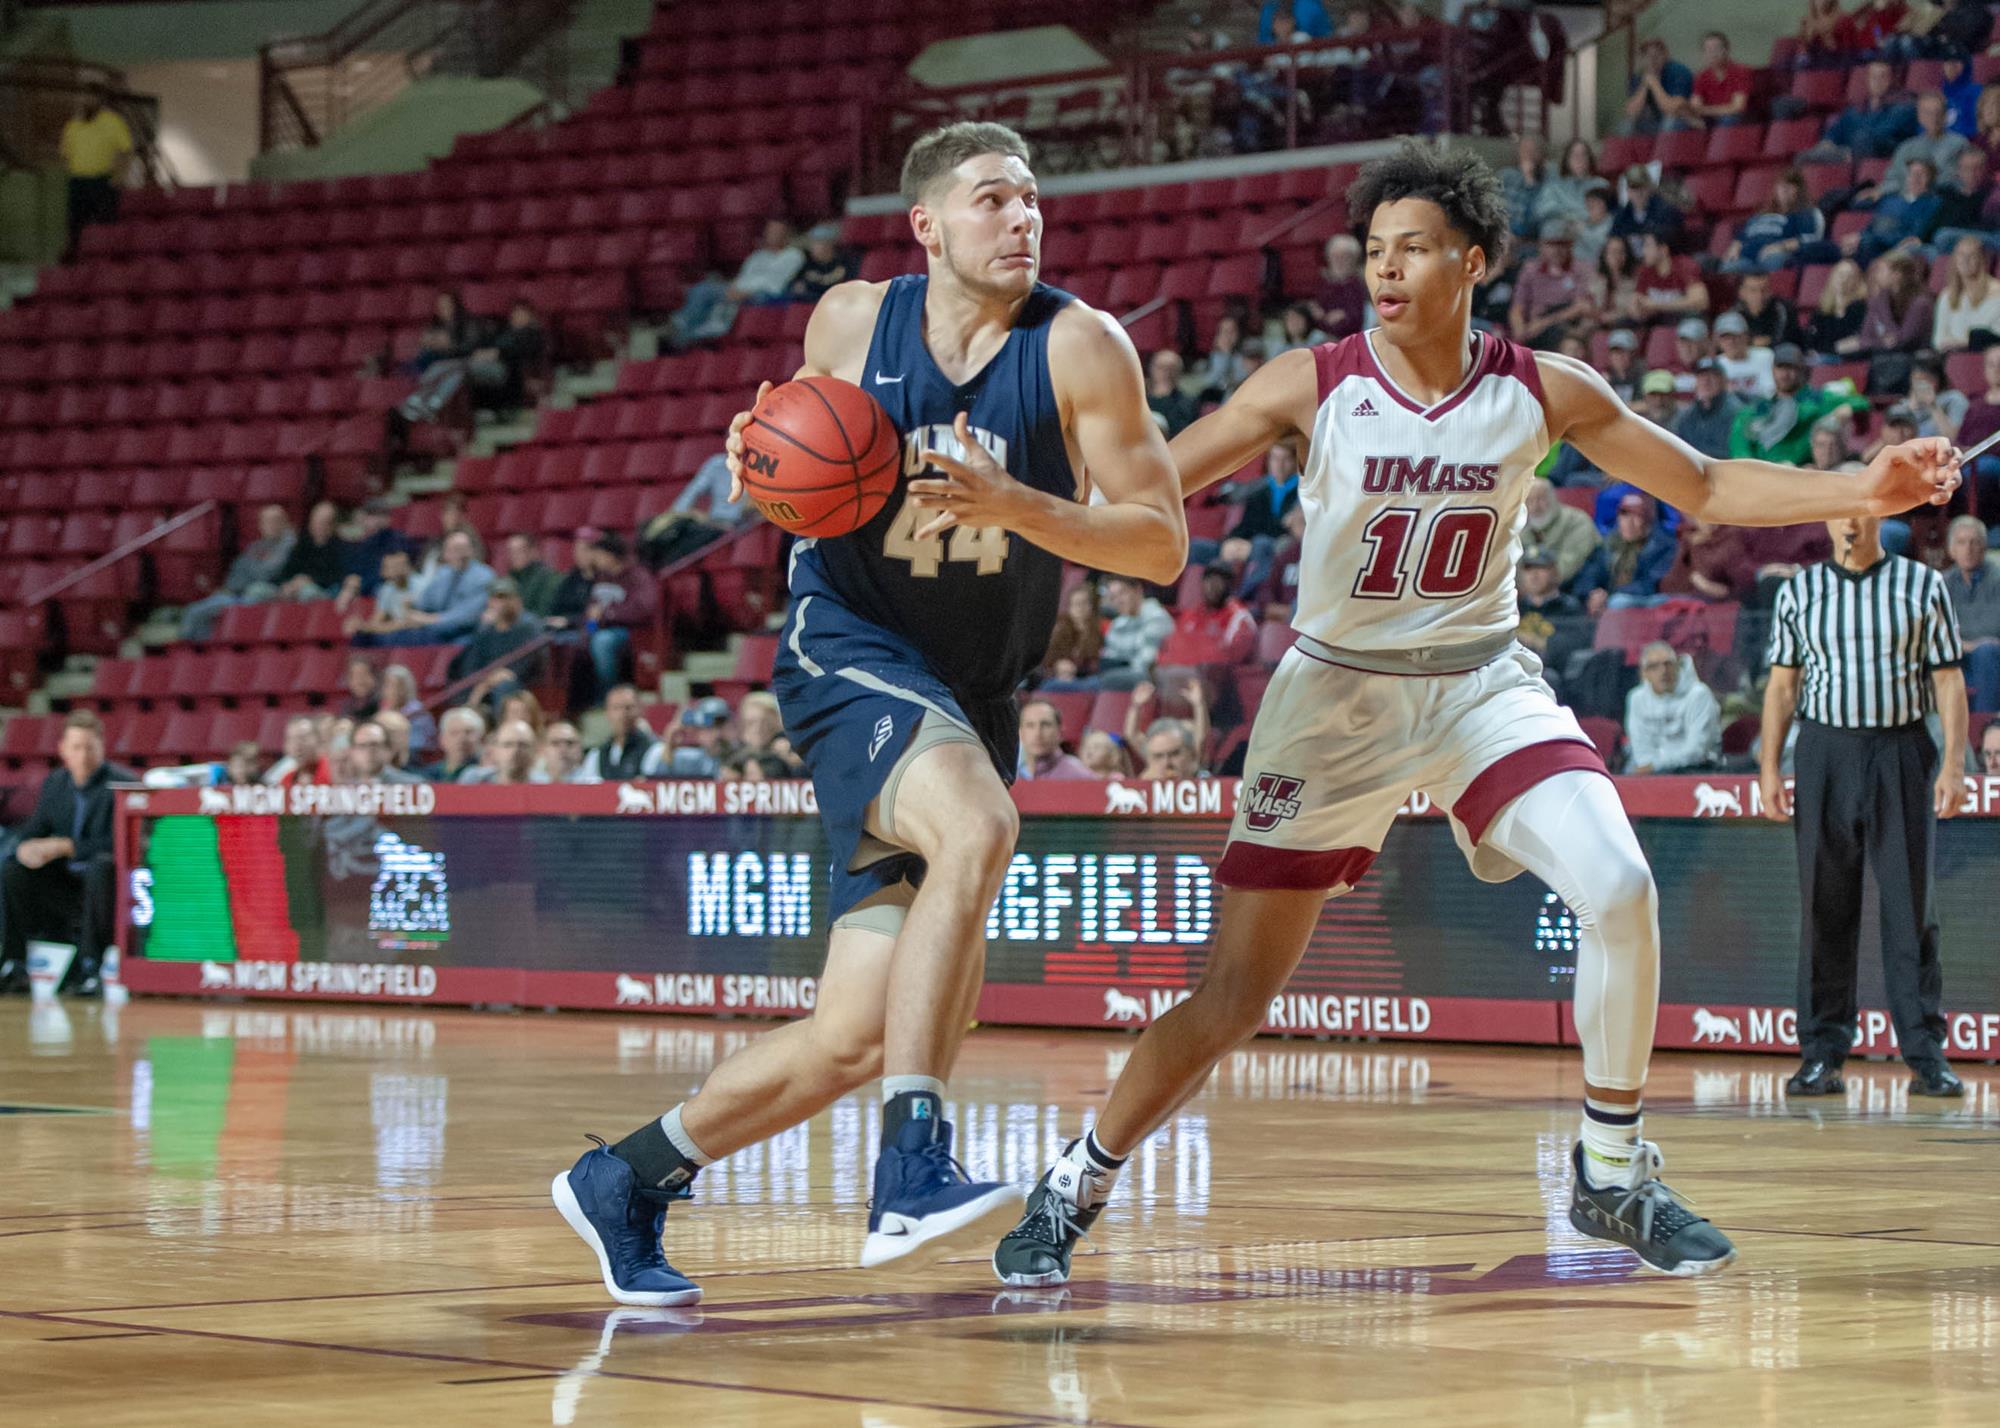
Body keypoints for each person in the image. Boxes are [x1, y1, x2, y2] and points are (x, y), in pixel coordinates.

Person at [995, 140, 1961, 1289]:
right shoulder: (1308, 381)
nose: (1384, 268)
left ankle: (1608, 1170)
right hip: (1333, 697)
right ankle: (1080, 1179)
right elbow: (1137, 494)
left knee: (1617, 885)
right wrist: (1014, 488)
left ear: (1474, 260)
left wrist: (1865, 486)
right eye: (1370, 251)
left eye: (1410, 247)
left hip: (1478, 683)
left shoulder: (1539, 387)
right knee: (1230, 1001)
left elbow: (1701, 484)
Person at [554, 120, 1188, 1305]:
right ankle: (910, 1166)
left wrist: (1020, 505)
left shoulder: (1080, 347)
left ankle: (625, 1178)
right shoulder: (850, 321)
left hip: (974, 689)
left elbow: (1158, 541)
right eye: (993, 199)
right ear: (927, 225)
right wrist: (760, 475)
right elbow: (800, 476)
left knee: (851, 1030)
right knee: (981, 829)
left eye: (1031, 199)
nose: (1022, 219)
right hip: (847, 647)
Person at [1761, 514, 1967, 1100]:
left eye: (1861, 508)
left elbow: (1949, 679)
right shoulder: (1799, 590)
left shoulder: (1922, 584)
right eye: (1839, 508)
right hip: (1825, 749)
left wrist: (1954, 764)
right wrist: (1770, 767)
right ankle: (1822, 1053)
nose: (1850, 520)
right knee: (1825, 907)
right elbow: (1782, 685)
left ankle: (1926, 1053)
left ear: (1879, 517)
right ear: (1826, 520)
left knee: (1910, 909)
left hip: (1901, 749)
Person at [0, 711, 133, 997]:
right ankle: (15, 964)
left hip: (106, 887)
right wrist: (24, 846)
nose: (83, 755)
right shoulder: (55, 783)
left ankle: (89, 969)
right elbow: (36, 827)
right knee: (12, 868)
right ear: (62, 750)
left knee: (102, 866)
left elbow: (122, 843)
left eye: (89, 746)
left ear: (102, 746)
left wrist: (66, 846)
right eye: (76, 747)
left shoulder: (123, 784)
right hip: (65, 884)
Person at [668, 218, 805, 349]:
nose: (772, 235)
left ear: (786, 234)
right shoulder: (757, 256)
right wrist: (733, 288)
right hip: (739, 290)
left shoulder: (793, 256)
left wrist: (743, 293)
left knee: (704, 291)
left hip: (764, 295)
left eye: (777, 231)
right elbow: (742, 278)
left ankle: (680, 325)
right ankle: (685, 335)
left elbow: (776, 283)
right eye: (770, 231)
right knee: (702, 287)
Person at [1729, 344, 1869, 463]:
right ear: (1773, 370)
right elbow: (1740, 446)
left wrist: (1846, 408)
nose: (1784, 374)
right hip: (1764, 474)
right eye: (1780, 368)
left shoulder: (1817, 399)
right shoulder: (1760, 408)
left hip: (1801, 470)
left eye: (1790, 368)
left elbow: (1861, 402)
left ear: (1802, 370)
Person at [357, 530, 495, 648]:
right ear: (445, 553)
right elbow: (427, 600)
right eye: (453, 550)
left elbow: (466, 617)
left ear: (471, 551)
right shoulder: (444, 573)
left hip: (466, 632)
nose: (459, 555)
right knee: (397, 637)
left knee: (420, 637)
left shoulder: (483, 576)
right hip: (436, 629)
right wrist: (412, 603)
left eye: (462, 549)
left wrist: (428, 619)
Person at [180, 504, 295, 640]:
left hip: (266, 592)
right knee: (194, 611)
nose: (270, 525)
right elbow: (238, 570)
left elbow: (267, 573)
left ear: (284, 522)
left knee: (254, 592)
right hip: (237, 593)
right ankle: (194, 651)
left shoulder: (289, 544)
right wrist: (229, 588)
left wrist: (251, 566)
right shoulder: (256, 546)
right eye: (265, 521)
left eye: (275, 521)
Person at [448, 579, 548, 715]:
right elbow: (471, 665)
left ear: (517, 601)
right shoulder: (486, 630)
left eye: (506, 598)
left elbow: (525, 664)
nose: (501, 603)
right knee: (461, 688)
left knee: (504, 686)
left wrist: (489, 682)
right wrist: (483, 682)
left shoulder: (529, 626)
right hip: (486, 682)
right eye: (496, 598)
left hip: (521, 682)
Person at [1624, 642, 1722, 773]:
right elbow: (1640, 749)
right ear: (1644, 673)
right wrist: (1651, 766)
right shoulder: (1636, 698)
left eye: (1668, 664)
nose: (1663, 671)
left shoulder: (1699, 695)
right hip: (1651, 770)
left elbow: (1696, 751)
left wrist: (1655, 765)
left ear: (1677, 666)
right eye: (1654, 667)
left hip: (1696, 769)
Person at [1572, 493, 1679, 612]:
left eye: (1637, 517)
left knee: (1619, 602)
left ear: (1649, 520)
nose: (1628, 523)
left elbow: (1650, 584)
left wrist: (1608, 596)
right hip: (1608, 601)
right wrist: (1591, 593)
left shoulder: (1664, 547)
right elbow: (1589, 574)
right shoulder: (1609, 544)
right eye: (1624, 516)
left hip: (1647, 605)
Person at [58, 88, 132, 255]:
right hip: (78, 181)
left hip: (102, 182)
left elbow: (126, 150)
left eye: (91, 97)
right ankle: (75, 259)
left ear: (100, 99)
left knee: (105, 225)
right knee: (75, 224)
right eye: (84, 96)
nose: (86, 100)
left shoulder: (113, 121)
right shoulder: (73, 124)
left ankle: (108, 261)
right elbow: (65, 153)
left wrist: (120, 176)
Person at [1943, 514, 2000, 709]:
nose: (1968, 549)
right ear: (1951, 550)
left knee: (1986, 653)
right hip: (1956, 655)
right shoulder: (1941, 584)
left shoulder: (1997, 579)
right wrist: (1967, 646)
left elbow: (1993, 629)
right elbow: (1937, 633)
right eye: (1961, 543)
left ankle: (1984, 728)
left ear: (1984, 548)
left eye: (1974, 543)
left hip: (1992, 655)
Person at [1509, 220, 1590, 350]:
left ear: (1570, 247)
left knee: (1559, 333)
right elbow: (1517, 306)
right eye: (1551, 245)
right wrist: (1520, 329)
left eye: (1562, 245)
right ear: (1542, 246)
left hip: (1563, 325)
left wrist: (1544, 323)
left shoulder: (1579, 269)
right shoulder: (1530, 269)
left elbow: (1580, 306)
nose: (1557, 250)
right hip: (1534, 325)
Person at [1722, 171, 1824, 275]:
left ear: (1799, 190)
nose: (1784, 189)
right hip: (1747, 257)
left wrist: (1779, 247)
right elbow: (1742, 236)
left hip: (1775, 256)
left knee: (1774, 258)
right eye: (1781, 186)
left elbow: (1808, 239)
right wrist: (1734, 247)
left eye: (1790, 186)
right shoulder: (1760, 215)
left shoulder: (1804, 213)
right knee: (1728, 266)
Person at [1819, 59, 1917, 161]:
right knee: (1809, 155)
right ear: (1867, 79)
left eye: (1883, 77)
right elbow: (1835, 132)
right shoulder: (1856, 109)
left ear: (1892, 80)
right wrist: (1828, 142)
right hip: (1846, 155)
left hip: (1881, 158)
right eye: (1873, 77)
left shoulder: (1904, 107)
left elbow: (1879, 134)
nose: (1878, 82)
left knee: (1863, 139)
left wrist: (1850, 150)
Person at [1095, 573, 1175, 689]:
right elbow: (1109, 657)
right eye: (1113, 597)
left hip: (1150, 679)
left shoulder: (1157, 618)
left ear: (1138, 590)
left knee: (1104, 681)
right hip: (1118, 677)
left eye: (1122, 593)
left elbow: (1147, 663)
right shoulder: (1118, 624)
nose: (1118, 601)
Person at [467, 300, 547, 414]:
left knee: (463, 371)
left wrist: (496, 353)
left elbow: (522, 350)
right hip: (487, 364)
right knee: (453, 368)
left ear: (530, 316)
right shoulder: (505, 332)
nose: (516, 316)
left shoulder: (533, 333)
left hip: (507, 369)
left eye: (521, 313)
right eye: (515, 313)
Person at [579, 683, 666, 782]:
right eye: (616, 708)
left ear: (640, 709)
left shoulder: (655, 749)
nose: (622, 714)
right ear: (607, 712)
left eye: (628, 707)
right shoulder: (597, 754)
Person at [1661, 514, 1756, 603]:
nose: (1706, 521)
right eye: (1700, 516)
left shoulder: (1732, 537)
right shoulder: (1688, 540)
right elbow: (1671, 583)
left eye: (1710, 515)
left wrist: (1710, 587)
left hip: (1724, 606)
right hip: (1690, 601)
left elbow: (1744, 582)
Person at [1522, 476, 1597, 586]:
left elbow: (1568, 566)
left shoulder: (1577, 521)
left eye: (1541, 499)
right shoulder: (1521, 528)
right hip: (1535, 592)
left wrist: (1531, 586)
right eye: (1529, 501)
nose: (1535, 507)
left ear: (1553, 498)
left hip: (1579, 585)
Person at [1933, 233, 2000, 351]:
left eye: (1972, 255)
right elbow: (1938, 340)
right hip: (1952, 357)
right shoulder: (1946, 295)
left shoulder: (1997, 292)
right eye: (1961, 255)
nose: (1965, 260)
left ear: (1982, 259)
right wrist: (1964, 343)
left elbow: (1995, 336)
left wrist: (1963, 343)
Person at [273, 501, 349, 602]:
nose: (318, 526)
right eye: (315, 521)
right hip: (294, 587)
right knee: (258, 590)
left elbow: (336, 577)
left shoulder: (341, 547)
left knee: (307, 592)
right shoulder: (302, 544)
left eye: (324, 522)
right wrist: (288, 584)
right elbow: (287, 570)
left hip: (324, 592)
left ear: (333, 525)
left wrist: (310, 581)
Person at [1622, 36, 1694, 135]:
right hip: (1654, 122)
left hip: (1682, 121)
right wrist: (1645, 85)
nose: (1652, 60)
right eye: (1647, 55)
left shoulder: (1679, 72)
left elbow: (1672, 109)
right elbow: (1631, 112)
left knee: (1670, 123)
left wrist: (1654, 83)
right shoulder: (1638, 77)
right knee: (1626, 126)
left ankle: (1664, 150)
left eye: (1657, 55)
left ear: (1665, 55)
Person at [1673, 359, 1742, 459]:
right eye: (1701, 376)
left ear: (1724, 381)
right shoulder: (1687, 416)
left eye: (1713, 376)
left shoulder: (1736, 412)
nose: (1706, 381)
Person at [1803, 258, 1871, 357]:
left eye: (1850, 276)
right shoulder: (1822, 310)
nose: (1844, 280)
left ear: (1858, 280)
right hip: (1820, 357)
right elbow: (1811, 339)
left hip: (1848, 358)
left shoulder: (1862, 307)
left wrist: (1830, 350)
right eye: (1841, 275)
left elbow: (1858, 340)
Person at [343, 549, 418, 639]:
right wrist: (361, 626)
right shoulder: (387, 589)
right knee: (360, 637)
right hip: (394, 631)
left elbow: (412, 623)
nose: (393, 571)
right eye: (388, 567)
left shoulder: (420, 585)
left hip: (416, 632)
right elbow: (377, 620)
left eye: (397, 566)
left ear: (408, 567)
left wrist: (375, 627)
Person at [1039, 580, 1103, 684]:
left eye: (1084, 603)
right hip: (1057, 676)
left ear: (1092, 606)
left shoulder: (1097, 631)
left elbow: (1095, 661)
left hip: (1085, 678)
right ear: (1069, 607)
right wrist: (1058, 665)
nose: (1080, 608)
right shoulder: (1060, 628)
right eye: (1076, 604)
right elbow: (1047, 659)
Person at [1310, 233, 1370, 342]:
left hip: (1351, 342)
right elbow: (1316, 317)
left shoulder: (1359, 285)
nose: (1338, 261)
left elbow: (1355, 320)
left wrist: (1342, 316)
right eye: (1334, 256)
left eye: (1344, 257)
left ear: (1353, 259)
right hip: (1324, 340)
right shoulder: (1324, 284)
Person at [1016, 698, 1092, 780]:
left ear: (1060, 732)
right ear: (1020, 734)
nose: (1037, 733)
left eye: (1046, 725)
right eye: (1030, 725)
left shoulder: (1080, 776)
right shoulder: (1011, 778)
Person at [1689, 31, 1752, 127]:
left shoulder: (1740, 71)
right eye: (1708, 50)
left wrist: (1706, 110)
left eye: (1716, 49)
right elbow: (1695, 106)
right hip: (1710, 117)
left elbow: (1738, 107)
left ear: (1727, 50)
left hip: (1735, 118)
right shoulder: (1701, 76)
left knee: (1728, 119)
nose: (1713, 54)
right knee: (1678, 122)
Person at [663, 696, 734, 778]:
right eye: (709, 728)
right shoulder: (689, 757)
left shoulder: (737, 754)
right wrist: (669, 744)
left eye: (719, 726)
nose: (717, 733)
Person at [1710, 312, 1775, 400]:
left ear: (1746, 336)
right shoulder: (1715, 365)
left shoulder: (1765, 356)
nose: (1731, 342)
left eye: (1736, 336)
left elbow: (1772, 391)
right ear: (1718, 341)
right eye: (1725, 338)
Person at [419, 706, 486, 782]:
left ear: (481, 738)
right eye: (454, 733)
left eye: (468, 732)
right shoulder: (427, 774)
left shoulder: (485, 774)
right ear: (442, 739)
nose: (461, 739)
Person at [503, 533, 562, 618]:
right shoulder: (508, 578)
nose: (514, 556)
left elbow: (542, 614)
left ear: (533, 552)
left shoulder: (547, 579)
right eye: (511, 551)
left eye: (519, 551)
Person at [347, 719, 421, 784]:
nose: (369, 751)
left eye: (374, 745)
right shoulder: (343, 788)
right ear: (351, 751)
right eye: (362, 746)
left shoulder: (413, 785)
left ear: (388, 750)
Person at [1145, 350, 1200, 436]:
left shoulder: (1188, 402)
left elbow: (1182, 432)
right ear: (1151, 369)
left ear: (1179, 372)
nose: (1166, 373)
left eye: (1172, 368)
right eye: (1161, 367)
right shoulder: (1138, 399)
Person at [262, 716, 327, 787]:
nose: (297, 746)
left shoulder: (333, 772)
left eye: (302, 738)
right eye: (292, 740)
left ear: (318, 740)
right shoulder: (287, 779)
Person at [338, 655, 381, 721]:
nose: (361, 680)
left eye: (365, 674)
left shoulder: (382, 703)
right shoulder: (346, 707)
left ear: (374, 678)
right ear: (349, 681)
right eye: (356, 676)